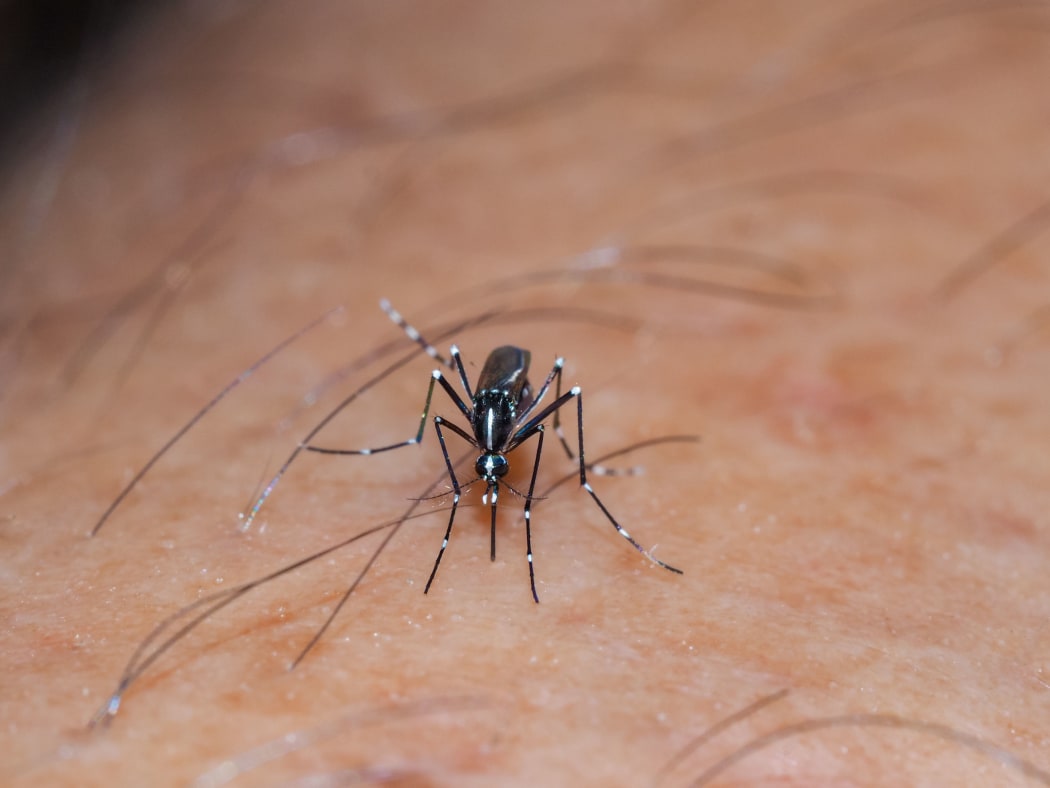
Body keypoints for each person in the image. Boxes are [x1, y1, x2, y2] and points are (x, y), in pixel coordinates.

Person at [4, 1, 1048, 784]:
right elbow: (456, 404)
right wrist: (402, 449)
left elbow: (534, 415)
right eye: (482, 466)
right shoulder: (467, 424)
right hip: (483, 370)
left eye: (489, 468)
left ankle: (593, 477)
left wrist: (569, 475)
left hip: (523, 377)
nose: (486, 474)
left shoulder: (525, 426)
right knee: (441, 369)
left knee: (554, 397)